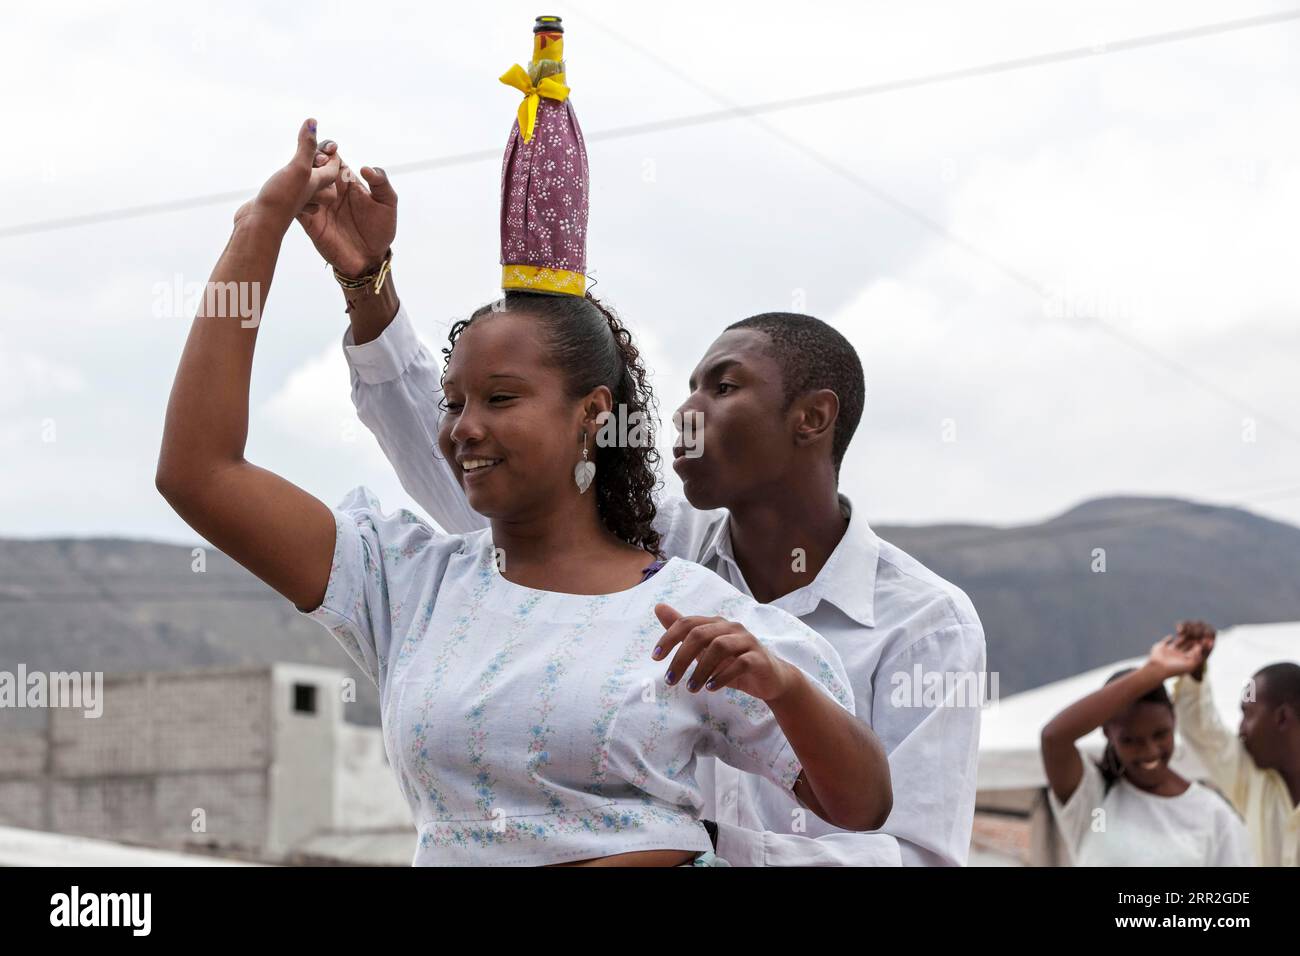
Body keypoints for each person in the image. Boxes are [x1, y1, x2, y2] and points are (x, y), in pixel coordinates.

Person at [155, 117, 892, 866]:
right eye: (454, 402)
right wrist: (259, 229)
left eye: (501, 399)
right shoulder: (408, 584)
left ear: (591, 413)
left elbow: (859, 804)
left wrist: (785, 689)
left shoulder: (694, 617)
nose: (464, 428)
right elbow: (200, 473)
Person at [304, 152, 986, 866]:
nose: (688, 410)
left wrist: (694, 854)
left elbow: (917, 855)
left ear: (812, 418)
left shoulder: (925, 623)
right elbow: (472, 467)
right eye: (689, 386)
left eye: (723, 388)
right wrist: (367, 284)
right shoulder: (647, 554)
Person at [1040, 634, 1251, 866]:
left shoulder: (1214, 816)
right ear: (1107, 733)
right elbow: (1054, 738)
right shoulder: (1091, 797)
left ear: (1174, 721)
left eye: (1160, 735)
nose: (1150, 751)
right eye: (1131, 740)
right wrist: (1153, 672)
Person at [1168, 619, 1300, 866]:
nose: (1240, 729)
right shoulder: (1252, 779)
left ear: (1282, 718)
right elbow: (1201, 732)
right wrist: (1195, 672)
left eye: (1247, 714)